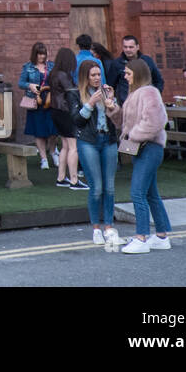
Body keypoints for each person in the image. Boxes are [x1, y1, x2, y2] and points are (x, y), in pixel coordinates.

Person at [118, 57, 172, 253]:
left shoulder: (149, 92)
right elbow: (128, 122)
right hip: (142, 147)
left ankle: (141, 238)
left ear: (138, 74)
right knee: (151, 193)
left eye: (128, 73)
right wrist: (113, 110)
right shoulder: (136, 93)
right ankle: (161, 236)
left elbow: (156, 121)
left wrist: (133, 135)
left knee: (137, 192)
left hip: (148, 147)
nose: (125, 76)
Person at [73, 61, 122, 250]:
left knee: (109, 187)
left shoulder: (106, 91)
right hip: (88, 142)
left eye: (98, 74)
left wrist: (112, 103)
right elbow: (77, 120)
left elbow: (117, 119)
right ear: (85, 77)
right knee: (97, 187)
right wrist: (91, 103)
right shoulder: (75, 94)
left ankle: (108, 226)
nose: (96, 78)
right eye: (92, 75)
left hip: (108, 140)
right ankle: (96, 228)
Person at [49, 47, 85, 190]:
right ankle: (74, 180)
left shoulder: (53, 73)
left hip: (55, 111)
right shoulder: (63, 75)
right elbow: (72, 92)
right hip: (65, 112)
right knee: (73, 147)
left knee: (64, 146)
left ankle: (61, 177)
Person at [18, 42, 56, 168]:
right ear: (35, 54)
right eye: (39, 54)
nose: (42, 57)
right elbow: (21, 83)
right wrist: (30, 85)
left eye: (44, 54)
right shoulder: (28, 66)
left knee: (52, 130)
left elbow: (57, 80)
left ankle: (53, 152)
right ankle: (43, 158)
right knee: (39, 131)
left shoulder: (51, 65)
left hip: (50, 100)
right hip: (35, 101)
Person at [110, 35, 165, 104]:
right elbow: (111, 85)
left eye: (131, 47)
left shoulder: (147, 61)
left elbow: (158, 81)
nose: (128, 50)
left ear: (137, 47)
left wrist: (154, 96)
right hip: (125, 104)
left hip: (146, 102)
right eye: (125, 47)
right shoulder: (116, 64)